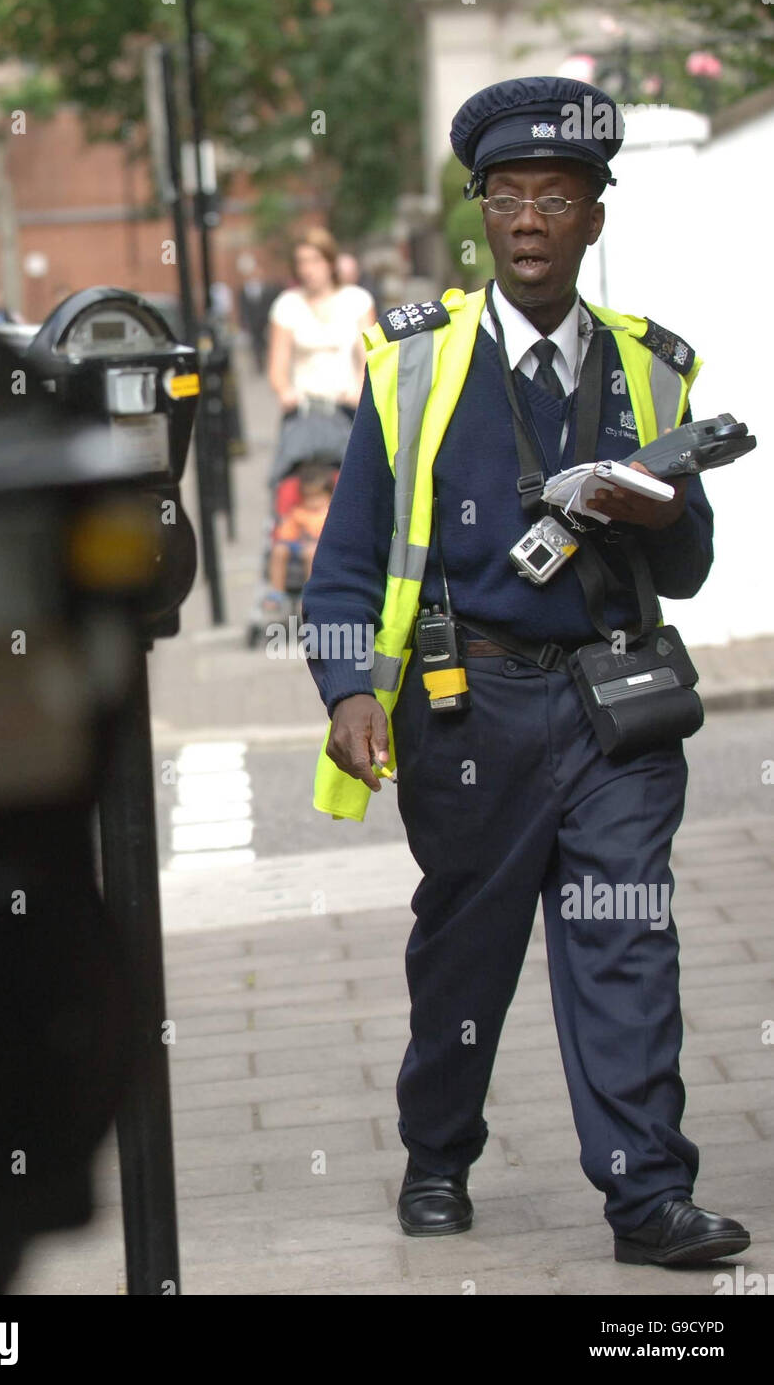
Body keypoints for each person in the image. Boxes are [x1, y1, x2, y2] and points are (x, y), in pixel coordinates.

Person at [302, 76, 751, 1267]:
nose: (532, 220)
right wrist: (350, 689)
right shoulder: (409, 371)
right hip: (468, 715)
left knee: (623, 937)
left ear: (593, 218)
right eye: (509, 197)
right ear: (483, 216)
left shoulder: (648, 370)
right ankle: (439, 1150)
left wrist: (650, 508)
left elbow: (694, 565)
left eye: (559, 197)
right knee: (466, 945)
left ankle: (647, 1196)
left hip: (617, 707)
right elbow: (344, 561)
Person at [267, 227, 375, 418]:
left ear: (331, 263)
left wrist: (360, 388)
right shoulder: (288, 304)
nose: (308, 269)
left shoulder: (357, 300)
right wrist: (285, 391)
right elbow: (278, 366)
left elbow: (368, 357)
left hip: (348, 406)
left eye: (315, 260)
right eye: (302, 262)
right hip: (305, 408)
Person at [267, 463, 335, 603]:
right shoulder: (299, 512)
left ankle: (310, 591)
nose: (313, 503)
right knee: (279, 550)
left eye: (318, 498)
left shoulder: (329, 514)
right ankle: (277, 591)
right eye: (309, 498)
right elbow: (286, 533)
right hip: (297, 544)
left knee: (311, 552)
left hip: (318, 546)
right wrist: (288, 527)